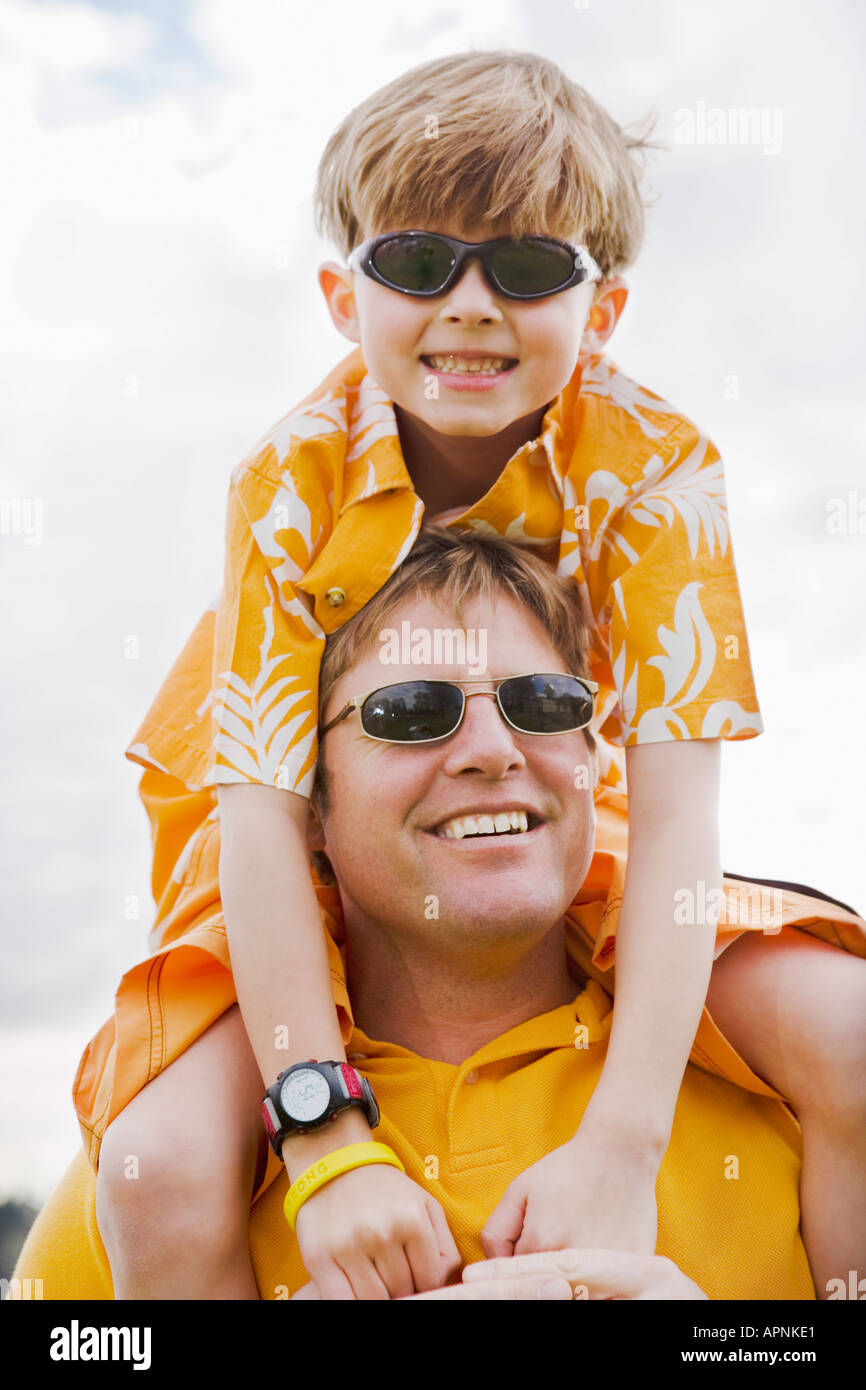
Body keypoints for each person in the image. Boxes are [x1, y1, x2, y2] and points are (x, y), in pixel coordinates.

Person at [71, 51, 866, 1300]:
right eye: (417, 263)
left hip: (550, 806)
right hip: (280, 824)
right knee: (160, 1168)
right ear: (343, 295)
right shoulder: (285, 486)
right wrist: (325, 1141)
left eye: (530, 265)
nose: (471, 304)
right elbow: (261, 828)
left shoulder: (658, 474)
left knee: (850, 1040)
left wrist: (623, 1136)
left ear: (599, 312)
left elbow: (675, 824)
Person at [16, 528, 854, 1300]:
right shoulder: (153, 1173)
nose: (495, 749)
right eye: (413, 710)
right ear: (301, 799)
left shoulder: (795, 1080)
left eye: (545, 702)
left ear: (595, 762)